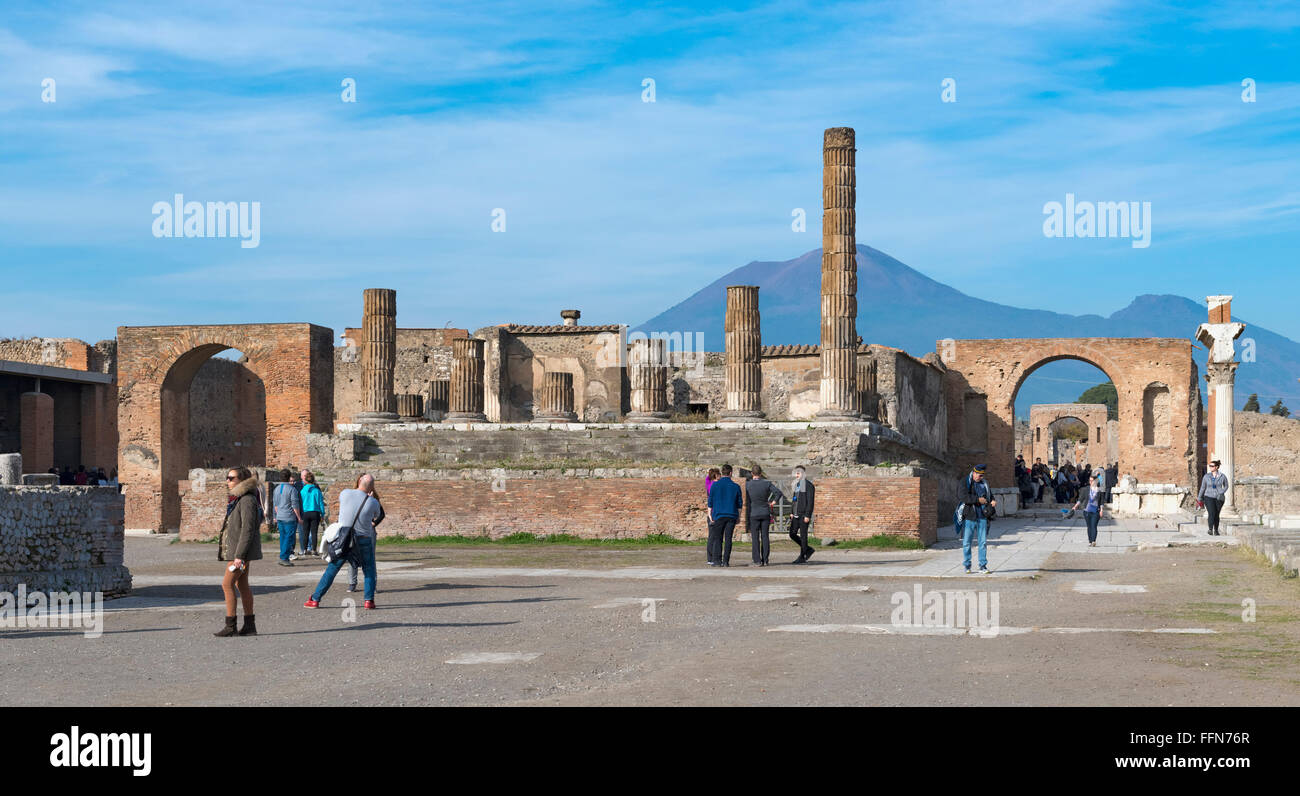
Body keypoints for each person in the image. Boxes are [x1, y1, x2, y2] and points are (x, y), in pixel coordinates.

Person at [305, 473, 384, 609]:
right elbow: (377, 515)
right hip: (363, 538)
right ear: (372, 488)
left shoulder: (345, 493)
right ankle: (368, 600)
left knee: (332, 569)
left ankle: (315, 599)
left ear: (359, 481)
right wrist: (370, 499)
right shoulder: (373, 502)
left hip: (345, 538)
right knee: (369, 570)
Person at [215, 467, 263, 636]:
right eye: (227, 477)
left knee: (227, 584)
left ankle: (231, 625)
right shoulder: (238, 499)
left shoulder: (247, 500)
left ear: (241, 480)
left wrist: (239, 556)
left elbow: (247, 530)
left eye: (231, 478)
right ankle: (250, 626)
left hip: (240, 552)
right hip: (239, 551)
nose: (227, 481)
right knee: (241, 584)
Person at [960, 464, 997, 574]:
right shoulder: (965, 482)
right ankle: (967, 565)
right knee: (967, 542)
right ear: (974, 472)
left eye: (982, 476)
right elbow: (962, 496)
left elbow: (990, 495)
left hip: (983, 516)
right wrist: (977, 500)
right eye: (978, 475)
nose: (980, 477)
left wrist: (993, 500)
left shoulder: (984, 483)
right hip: (970, 516)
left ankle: (983, 565)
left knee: (983, 542)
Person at [745, 465, 781, 566]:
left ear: (752, 474)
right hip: (765, 512)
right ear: (761, 473)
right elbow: (778, 493)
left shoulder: (748, 485)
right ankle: (765, 559)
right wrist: (773, 502)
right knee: (765, 536)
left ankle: (757, 560)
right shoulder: (767, 483)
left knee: (755, 538)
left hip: (754, 513)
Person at [706, 464, 742, 567]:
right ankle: (726, 561)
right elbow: (739, 504)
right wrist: (738, 516)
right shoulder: (736, 486)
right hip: (731, 515)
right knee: (728, 538)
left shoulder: (715, 485)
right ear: (731, 473)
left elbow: (710, 501)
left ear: (722, 473)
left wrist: (710, 515)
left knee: (718, 538)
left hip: (718, 515)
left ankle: (717, 561)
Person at [271, 468, 303, 566]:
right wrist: (299, 517)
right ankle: (284, 557)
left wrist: (276, 515)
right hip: (289, 517)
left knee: (283, 537)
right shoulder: (292, 489)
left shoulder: (276, 489)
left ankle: (283, 556)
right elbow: (295, 505)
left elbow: (275, 505)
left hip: (280, 516)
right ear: (289, 477)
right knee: (289, 538)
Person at [787, 465, 816, 564]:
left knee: (803, 536)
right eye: (796, 473)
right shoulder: (797, 485)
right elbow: (794, 500)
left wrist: (808, 515)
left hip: (804, 515)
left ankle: (802, 556)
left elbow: (810, 502)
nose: (796, 475)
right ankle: (808, 549)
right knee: (792, 534)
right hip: (795, 515)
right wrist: (791, 512)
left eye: (798, 473)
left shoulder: (809, 485)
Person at [1071, 473, 1105, 547]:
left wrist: (1101, 510)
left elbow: (1102, 501)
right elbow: (1080, 499)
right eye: (1089, 480)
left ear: (1096, 481)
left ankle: (1093, 541)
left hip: (1096, 511)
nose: (1090, 482)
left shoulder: (1100, 491)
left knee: (1094, 526)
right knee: (1089, 526)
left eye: (1092, 481)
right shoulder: (1086, 489)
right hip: (1087, 511)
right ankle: (1090, 540)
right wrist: (1075, 506)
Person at [1198, 460, 1229, 536]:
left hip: (1219, 498)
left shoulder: (1222, 476)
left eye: (1212, 466)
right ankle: (1210, 529)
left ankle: (1216, 530)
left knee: (1216, 514)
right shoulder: (1206, 476)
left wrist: (1221, 491)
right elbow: (1203, 487)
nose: (1210, 467)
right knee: (1211, 513)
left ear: (1216, 467)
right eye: (1210, 466)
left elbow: (1226, 485)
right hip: (1208, 497)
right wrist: (1199, 497)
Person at [299, 470, 325, 558]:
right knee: (314, 532)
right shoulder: (317, 491)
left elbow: (300, 502)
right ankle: (314, 550)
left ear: (305, 480)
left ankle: (305, 550)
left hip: (305, 513)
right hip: (315, 512)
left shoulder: (302, 491)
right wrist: (323, 514)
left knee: (305, 532)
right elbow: (321, 503)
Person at [703, 467, 721, 563]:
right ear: (716, 475)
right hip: (716, 512)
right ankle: (714, 557)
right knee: (716, 537)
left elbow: (707, 478)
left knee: (711, 536)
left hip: (710, 513)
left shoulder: (709, 484)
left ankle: (710, 558)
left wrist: (710, 473)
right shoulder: (717, 485)